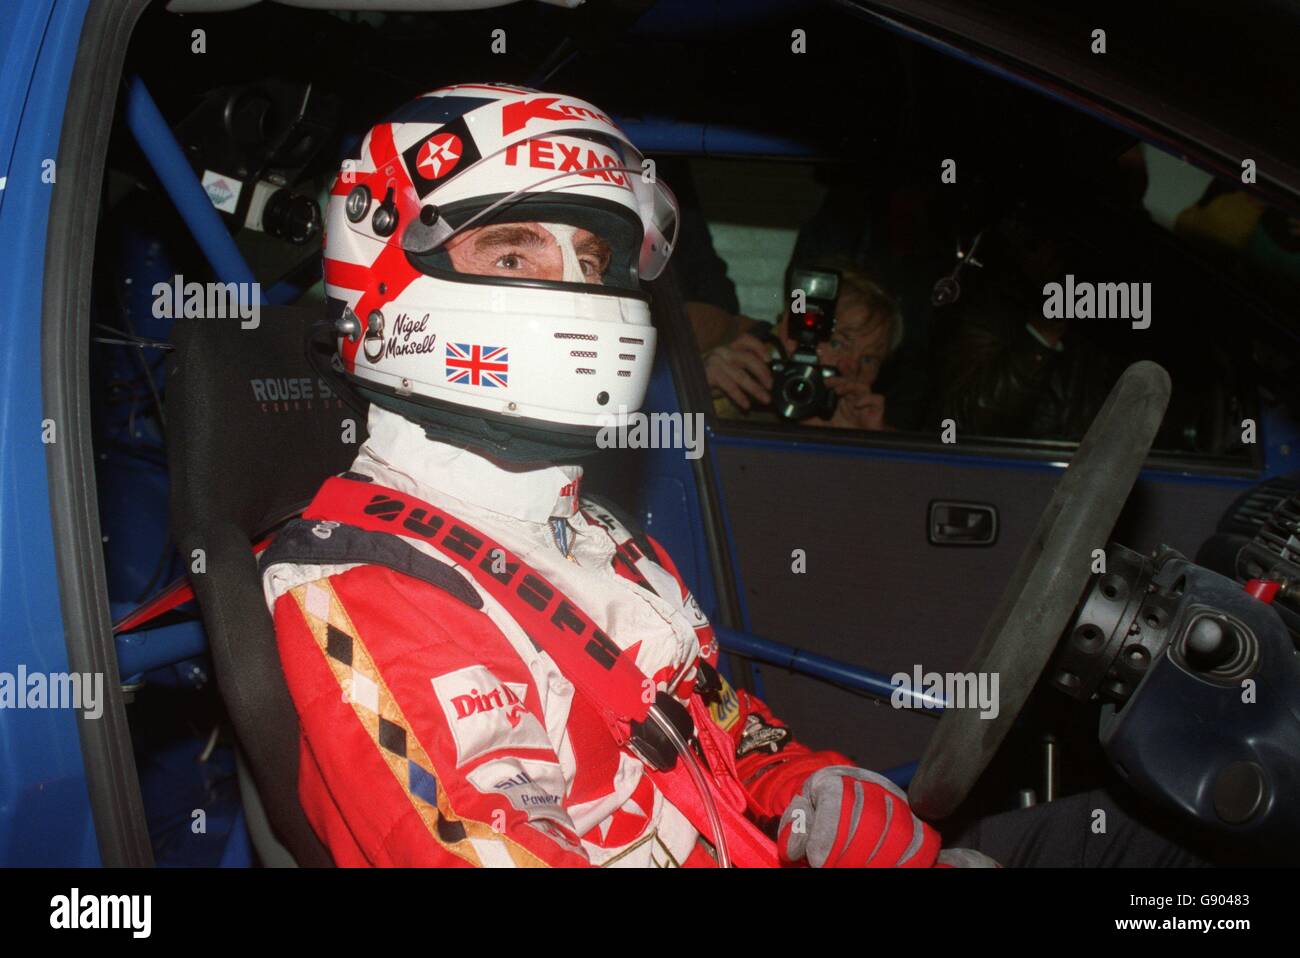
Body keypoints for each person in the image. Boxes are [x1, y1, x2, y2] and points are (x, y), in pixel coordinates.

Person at [259, 84, 1203, 868]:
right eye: (516, 251)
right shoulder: (369, 589)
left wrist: (808, 786)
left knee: (1165, 842)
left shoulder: (591, 533)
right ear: (387, 281)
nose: (582, 297)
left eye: (595, 262)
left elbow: (709, 719)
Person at [706, 262, 902, 430]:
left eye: (868, 360)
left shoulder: (864, 423)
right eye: (838, 344)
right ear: (790, 335)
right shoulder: (738, 372)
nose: (850, 367)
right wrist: (701, 393)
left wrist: (859, 446)